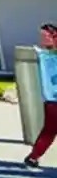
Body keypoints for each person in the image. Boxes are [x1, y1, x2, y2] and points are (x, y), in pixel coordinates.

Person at [24, 22, 57, 168]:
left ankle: (34, 156)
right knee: (49, 130)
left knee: (49, 130)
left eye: (44, 36)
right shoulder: (45, 53)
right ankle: (34, 156)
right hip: (51, 99)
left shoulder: (50, 54)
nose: (42, 39)